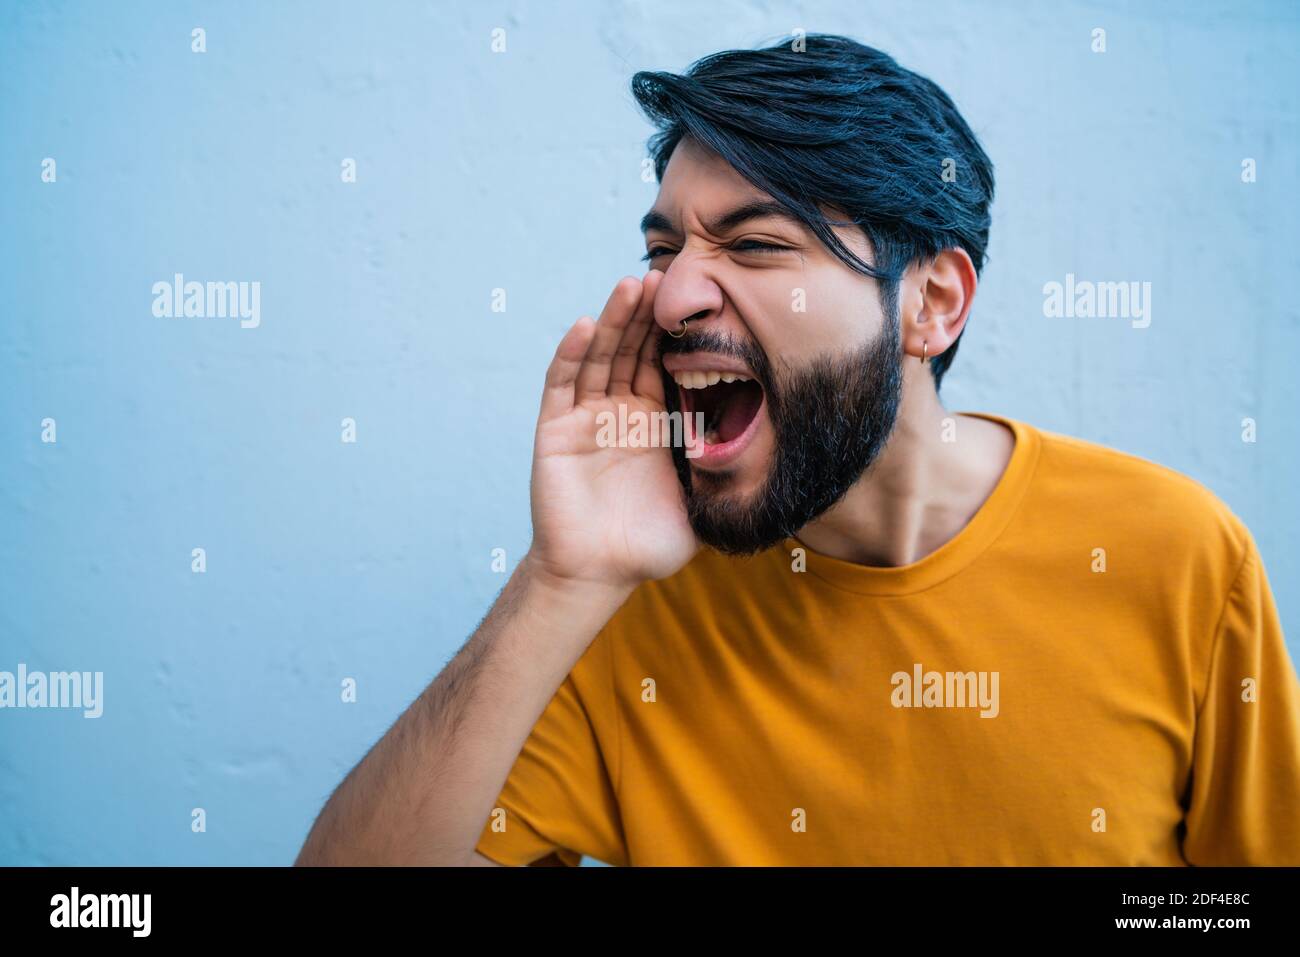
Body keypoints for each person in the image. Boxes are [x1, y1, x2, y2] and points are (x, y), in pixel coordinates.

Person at [295, 34, 1300, 867]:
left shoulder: (1173, 557)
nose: (675, 294)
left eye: (756, 244)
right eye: (662, 251)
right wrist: (561, 580)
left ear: (931, 302)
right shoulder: (624, 607)